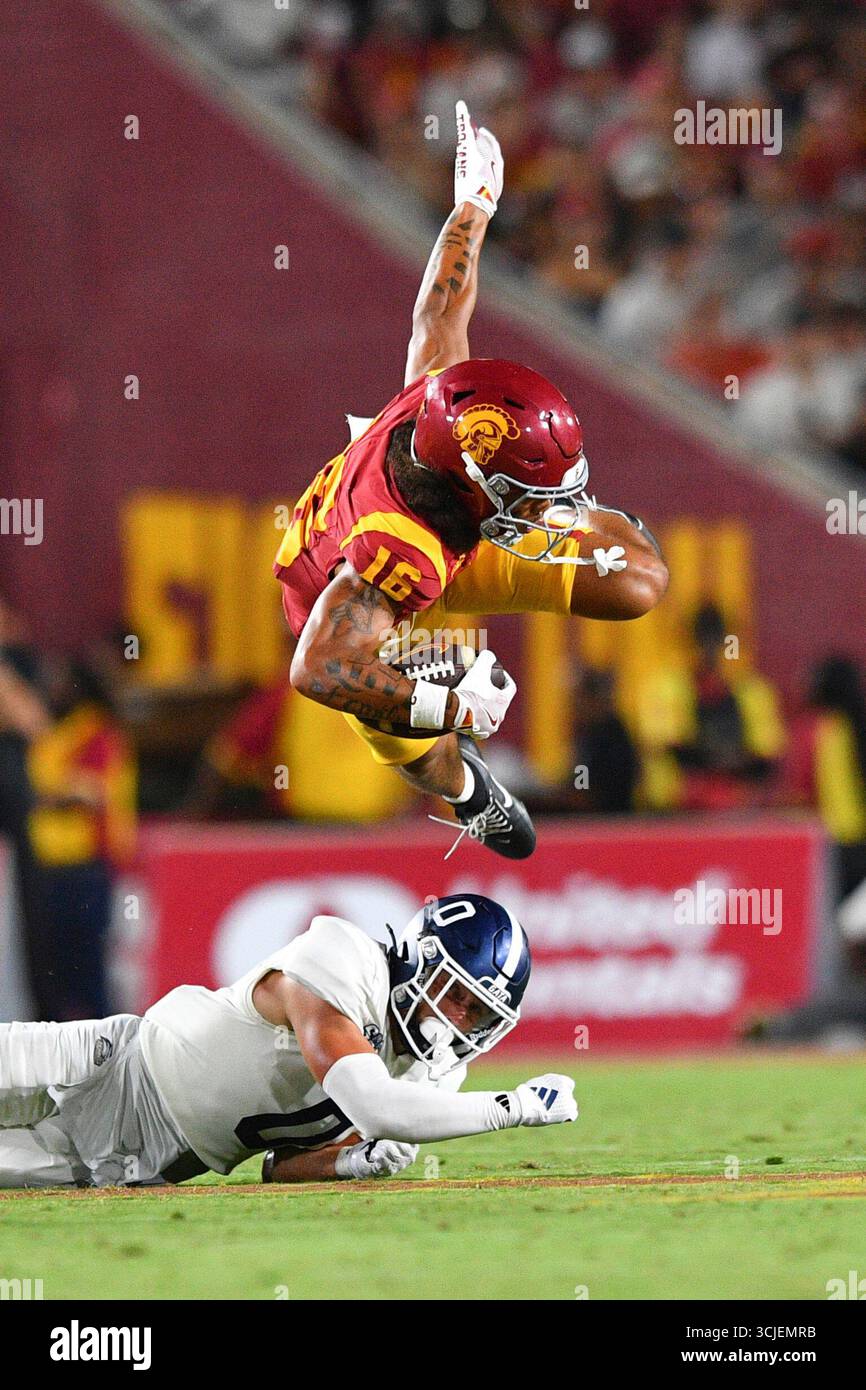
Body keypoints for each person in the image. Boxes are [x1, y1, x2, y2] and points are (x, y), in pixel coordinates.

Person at [276, 100, 668, 860]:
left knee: (638, 580)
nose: (554, 513)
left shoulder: (438, 409)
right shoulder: (401, 553)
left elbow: (441, 308)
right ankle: (468, 796)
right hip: (342, 595)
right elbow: (319, 667)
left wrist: (474, 205)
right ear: (476, 488)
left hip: (438, 540)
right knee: (433, 751)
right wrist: (446, 702)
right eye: (532, 499)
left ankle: (441, 726)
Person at [0, 894, 576, 1188]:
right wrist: (515, 1107)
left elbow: (277, 1166)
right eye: (457, 994)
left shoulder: (433, 1081)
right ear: (422, 960)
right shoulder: (346, 958)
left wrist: (350, 1163)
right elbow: (374, 1102)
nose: (459, 1021)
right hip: (112, 1067)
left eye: (479, 1015)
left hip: (143, 1163)